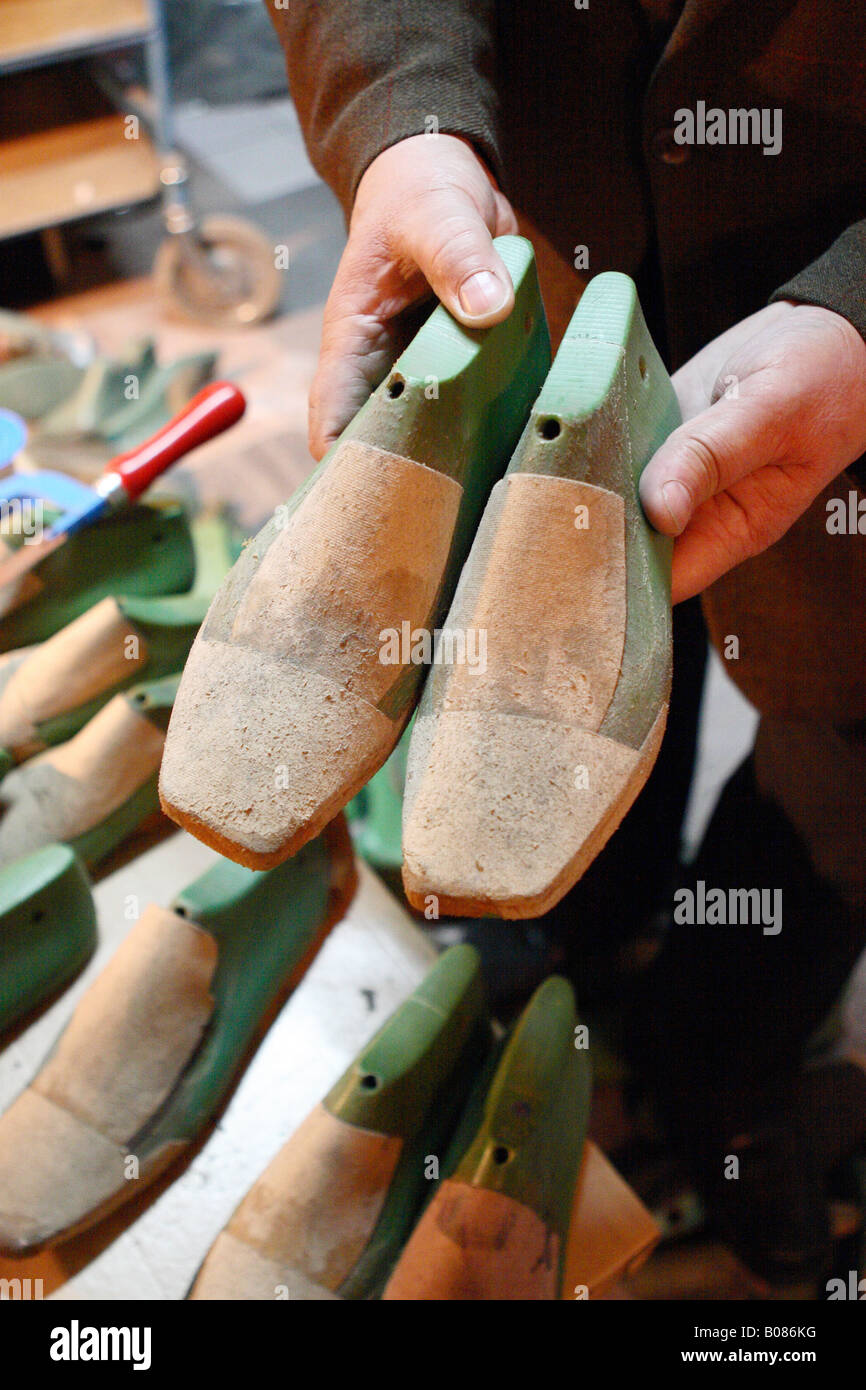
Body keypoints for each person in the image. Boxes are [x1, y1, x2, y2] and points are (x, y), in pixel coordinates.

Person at [265, 0, 866, 1291]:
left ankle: (720, 1057)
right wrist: (398, 119)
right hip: (539, 246)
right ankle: (581, 948)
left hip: (835, 285)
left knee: (848, 752)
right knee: (555, 690)